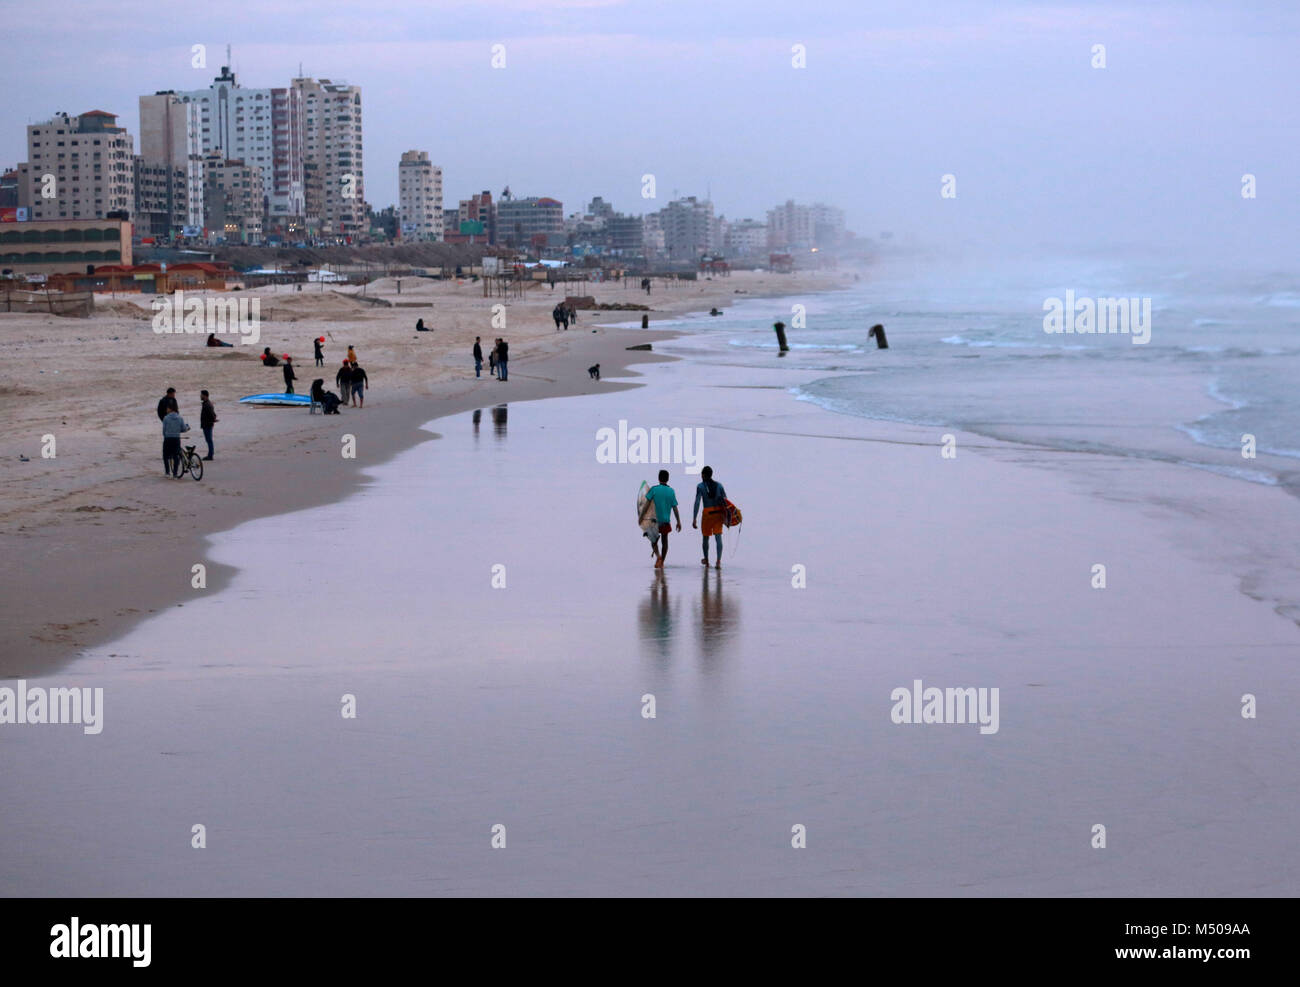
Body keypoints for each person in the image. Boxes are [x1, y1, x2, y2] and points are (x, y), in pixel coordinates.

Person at [639, 470, 681, 568]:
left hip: (654, 521)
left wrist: (641, 517)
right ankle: (662, 561)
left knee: (653, 541)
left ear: (658, 478)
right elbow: (675, 508)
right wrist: (678, 521)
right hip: (665, 521)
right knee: (664, 541)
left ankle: (658, 556)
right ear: (668, 479)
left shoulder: (654, 489)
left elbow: (646, 505)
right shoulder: (671, 491)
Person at [692, 465, 728, 568]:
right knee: (718, 537)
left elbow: (697, 502)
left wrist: (694, 518)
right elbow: (726, 501)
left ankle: (707, 561)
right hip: (718, 513)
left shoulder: (700, 486)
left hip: (707, 513)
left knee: (705, 537)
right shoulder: (719, 486)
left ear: (703, 475)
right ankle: (718, 561)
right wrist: (727, 517)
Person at [161, 406, 190, 478]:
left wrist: (166, 435)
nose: (166, 410)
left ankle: (167, 472)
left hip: (168, 439)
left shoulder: (166, 418)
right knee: (176, 456)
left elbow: (164, 430)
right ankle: (175, 474)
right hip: (176, 439)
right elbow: (184, 429)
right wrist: (185, 428)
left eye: (167, 408)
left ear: (170, 409)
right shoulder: (180, 418)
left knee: (165, 455)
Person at [199, 389, 217, 461]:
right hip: (208, 424)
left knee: (209, 440)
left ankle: (210, 455)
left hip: (207, 424)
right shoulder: (207, 403)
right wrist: (213, 420)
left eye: (201, 395)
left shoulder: (207, 404)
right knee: (209, 440)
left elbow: (212, 414)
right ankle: (210, 455)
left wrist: (213, 420)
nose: (200, 396)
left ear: (205, 396)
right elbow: (213, 414)